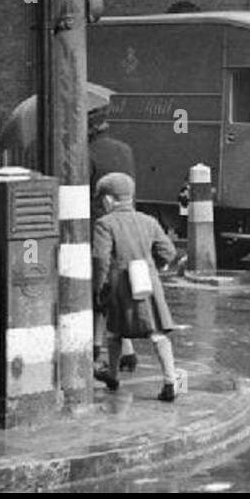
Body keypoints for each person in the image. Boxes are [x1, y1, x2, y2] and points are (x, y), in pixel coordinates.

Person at [91, 172, 179, 402]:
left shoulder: (104, 224)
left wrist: (99, 288)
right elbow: (169, 252)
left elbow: (101, 259)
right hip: (147, 283)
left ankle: (111, 375)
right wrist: (151, 268)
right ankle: (170, 382)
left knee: (115, 332)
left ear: (109, 200)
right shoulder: (149, 221)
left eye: (102, 199)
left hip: (119, 285)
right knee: (157, 333)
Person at [88, 107, 139, 376]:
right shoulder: (125, 150)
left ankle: (96, 349)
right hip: (126, 227)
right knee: (116, 291)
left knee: (98, 291)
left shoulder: (87, 154)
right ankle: (127, 352)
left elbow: (85, 195)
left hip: (99, 229)